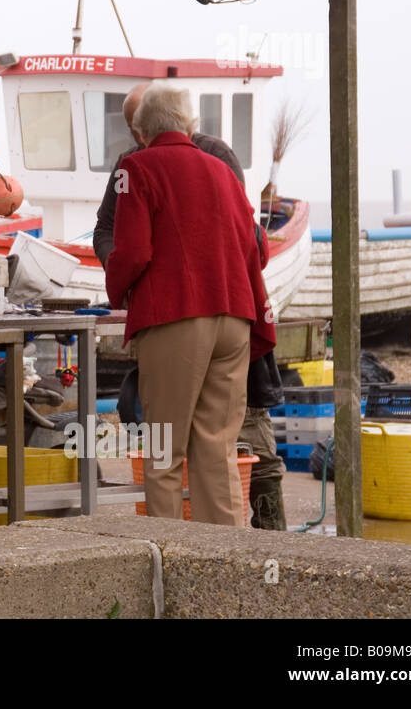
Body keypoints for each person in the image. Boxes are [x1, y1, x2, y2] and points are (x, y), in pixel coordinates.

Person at [94, 83, 287, 530]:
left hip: (177, 315)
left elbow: (134, 250)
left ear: (140, 131)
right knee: (217, 449)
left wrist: (118, 290)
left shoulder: (135, 168)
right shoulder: (221, 169)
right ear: (190, 124)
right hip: (235, 318)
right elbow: (255, 248)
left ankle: (168, 556)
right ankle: (224, 561)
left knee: (164, 448)